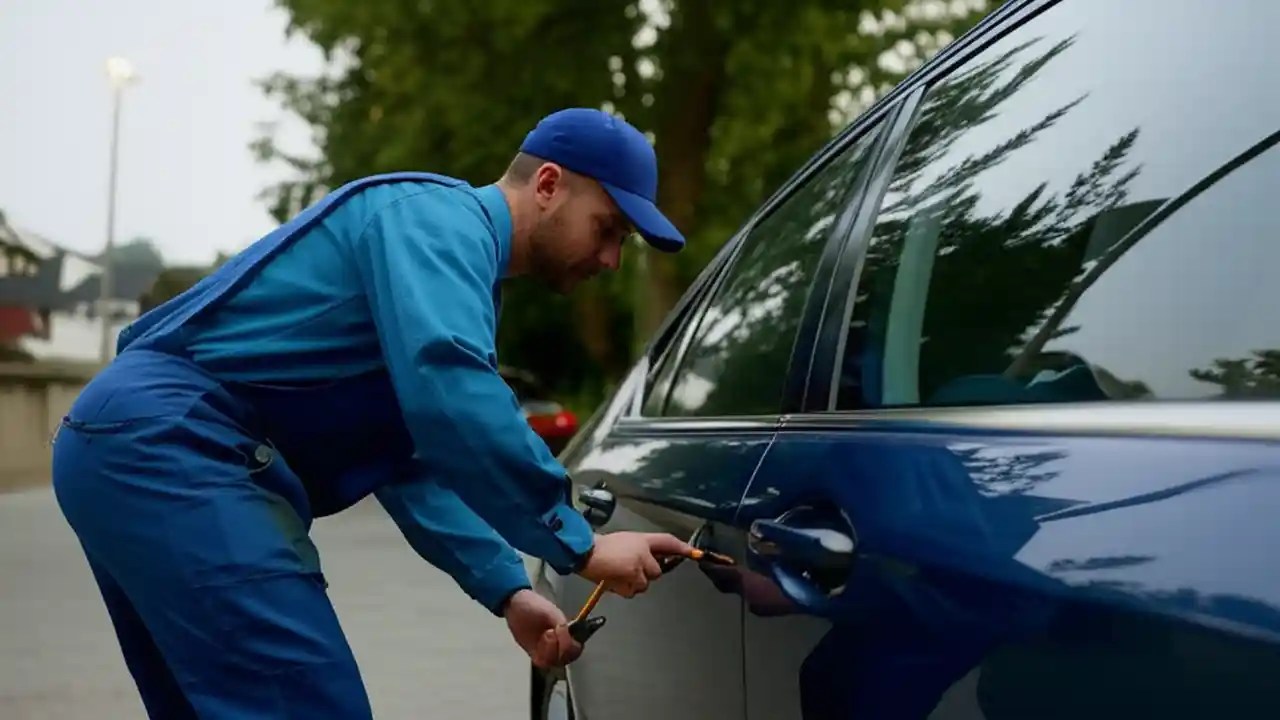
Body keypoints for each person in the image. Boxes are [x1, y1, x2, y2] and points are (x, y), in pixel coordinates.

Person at [50, 107, 693, 719]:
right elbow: (452, 397)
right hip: (173, 444)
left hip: (129, 447)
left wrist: (511, 591)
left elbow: (411, 460)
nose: (610, 259)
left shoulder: (450, 265)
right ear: (549, 184)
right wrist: (579, 541)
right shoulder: (439, 223)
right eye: (608, 228)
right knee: (306, 705)